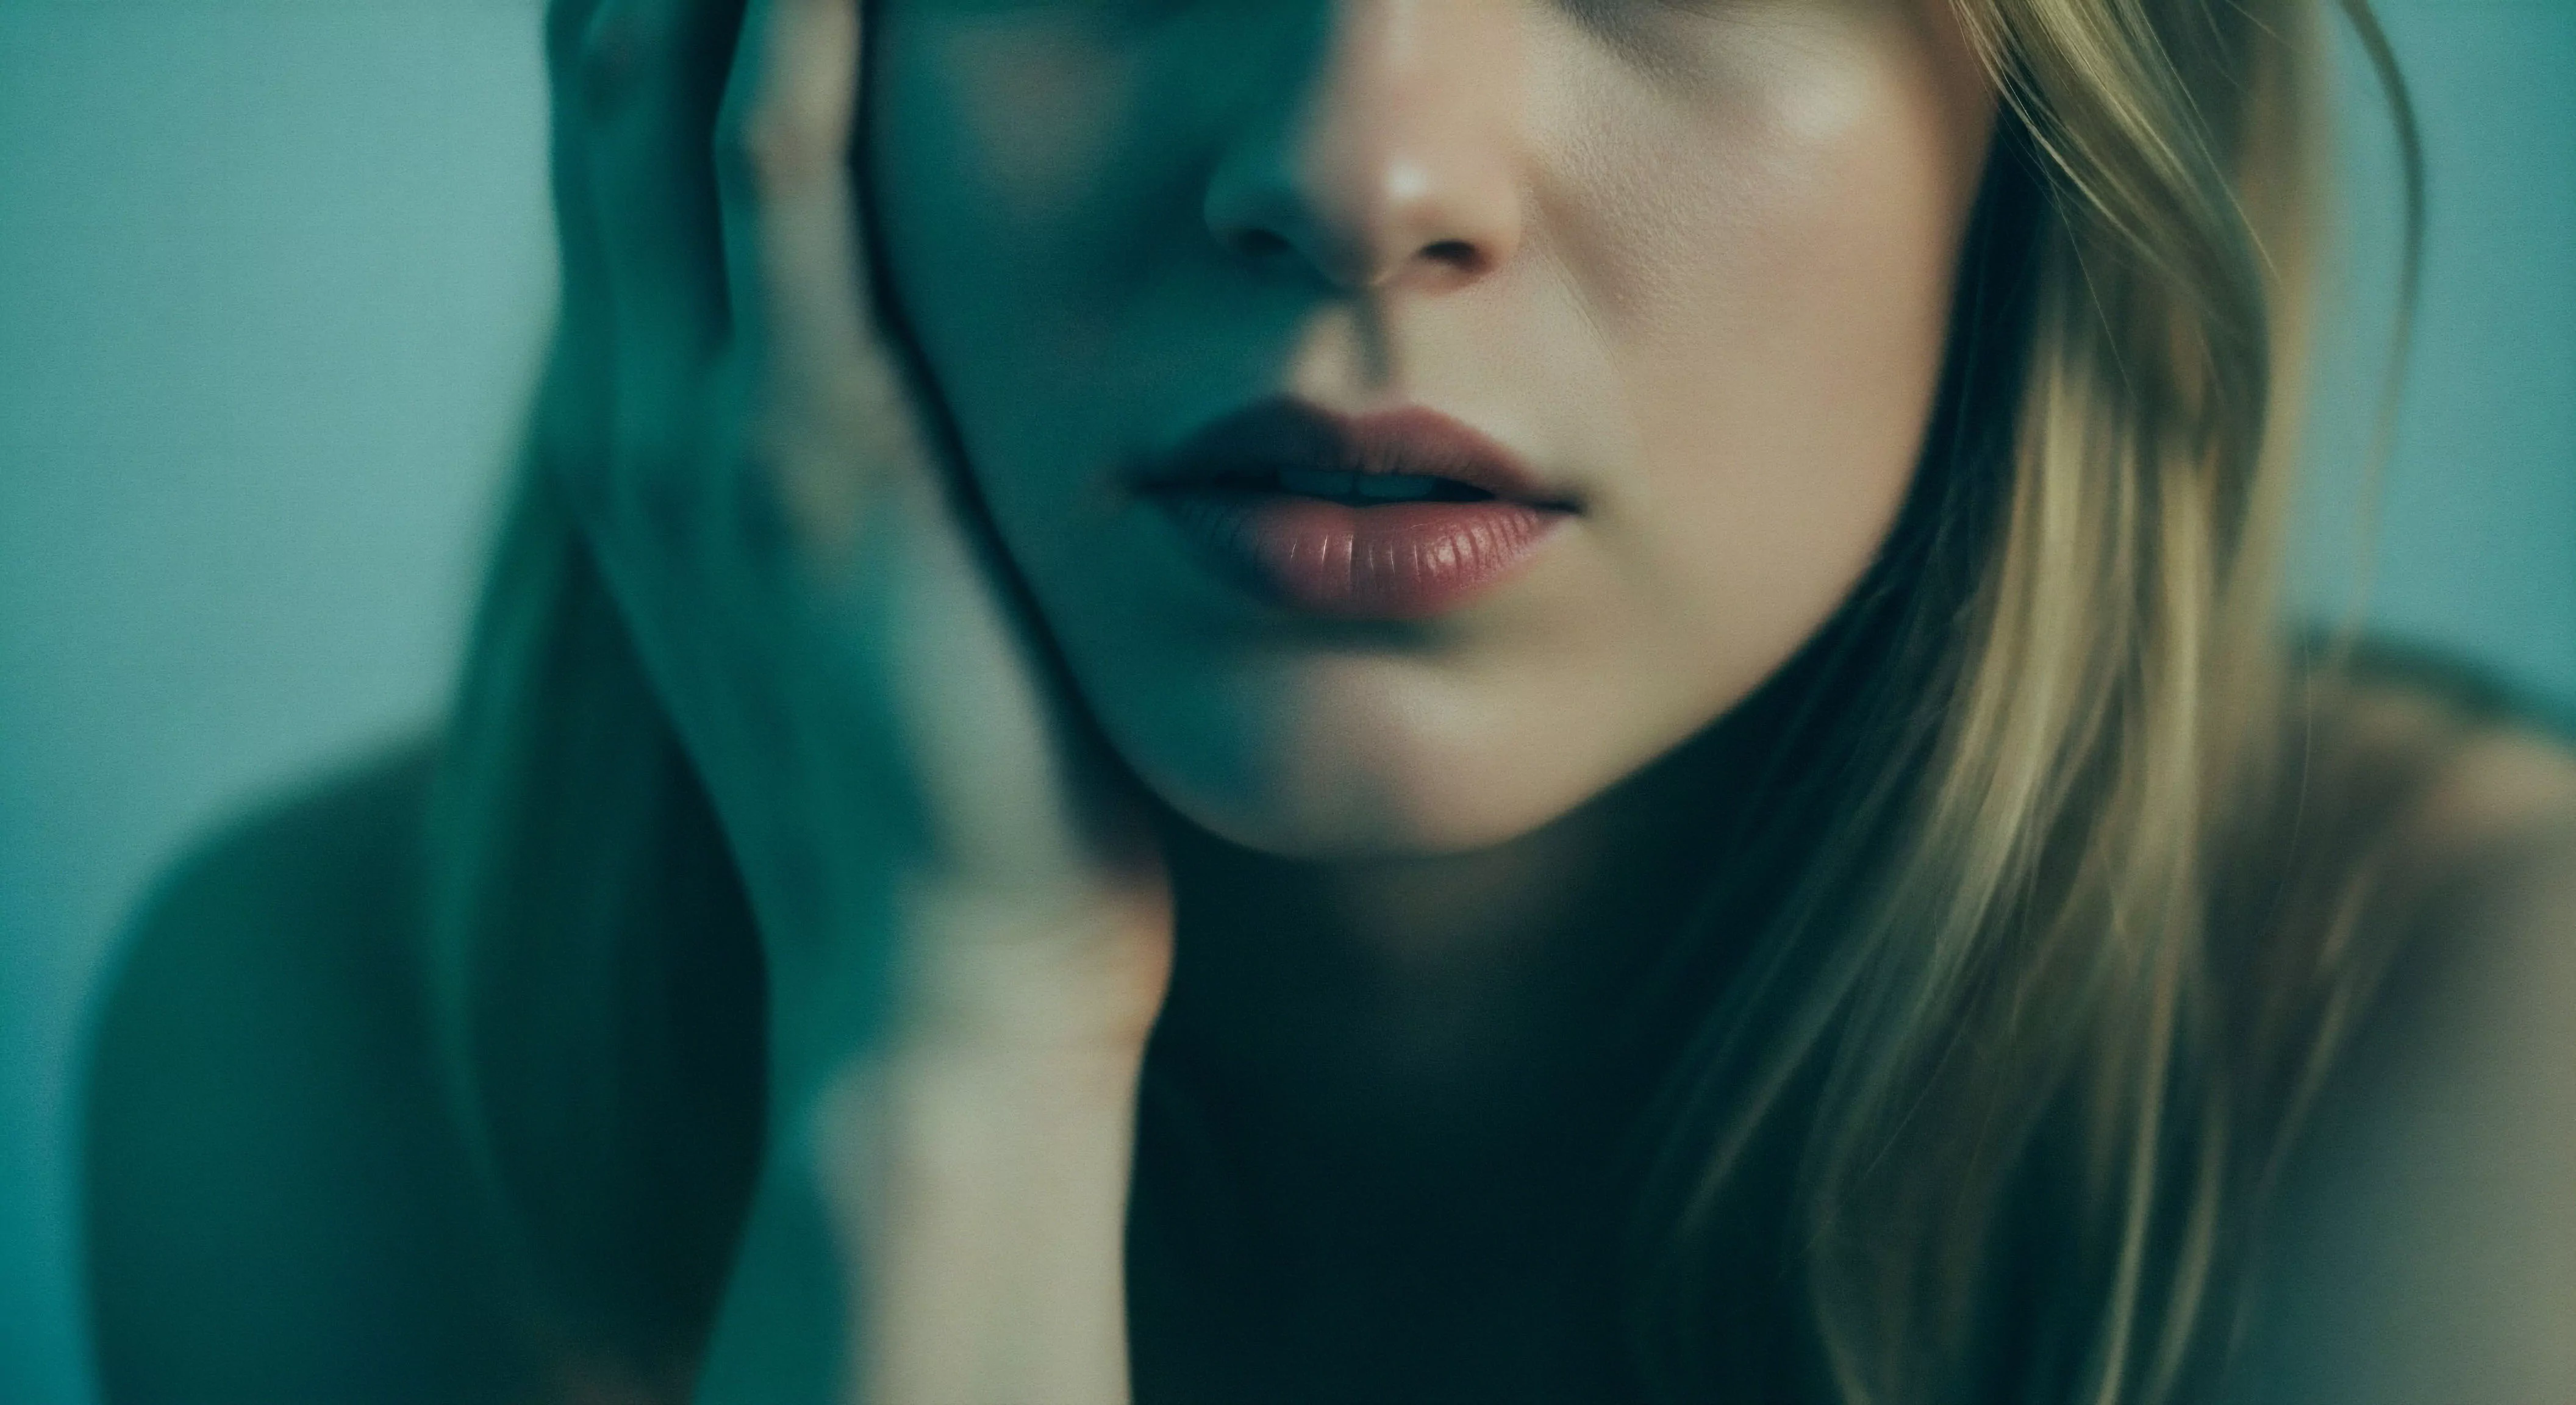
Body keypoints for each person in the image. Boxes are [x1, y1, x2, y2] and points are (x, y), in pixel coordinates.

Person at [80, 0, 2576, 1401]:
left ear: (2065, 121)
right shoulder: (345, 1062)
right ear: (717, 91)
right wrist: (950, 1072)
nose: (1363, 166)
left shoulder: (2480, 1050)